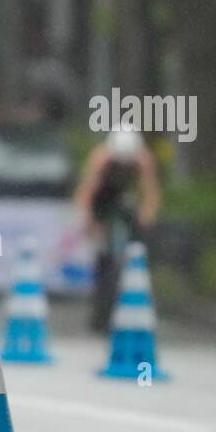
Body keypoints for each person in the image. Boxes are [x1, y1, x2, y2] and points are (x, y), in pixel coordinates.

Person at [73, 123, 161, 332]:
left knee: (136, 229)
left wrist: (146, 215)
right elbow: (85, 194)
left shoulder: (142, 159)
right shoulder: (101, 158)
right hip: (102, 201)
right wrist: (90, 221)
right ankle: (100, 313)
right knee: (104, 259)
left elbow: (150, 191)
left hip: (122, 200)